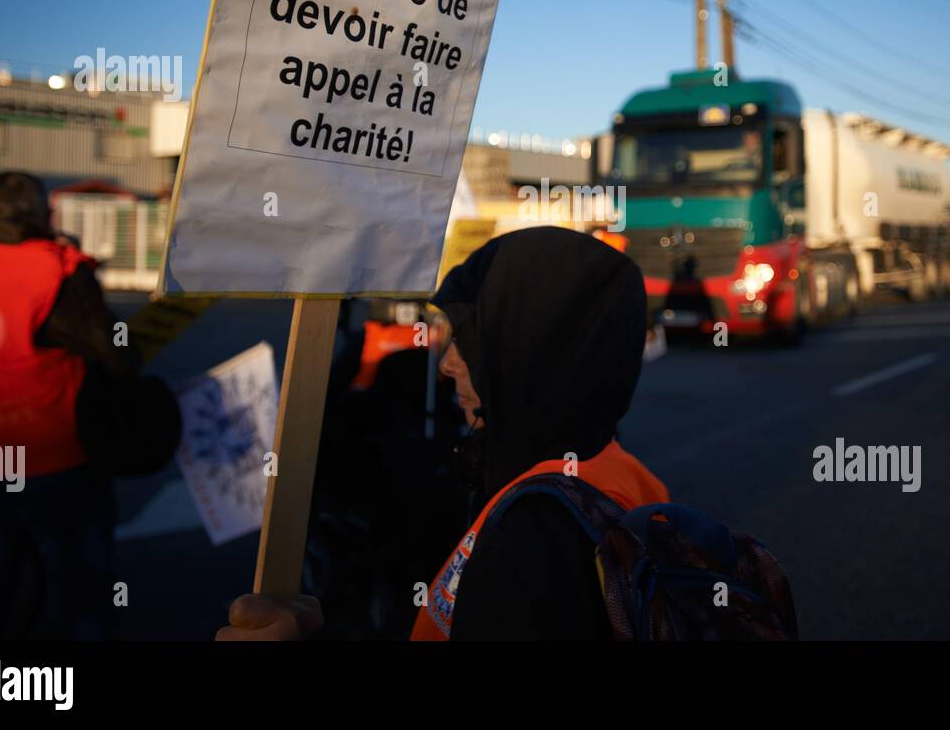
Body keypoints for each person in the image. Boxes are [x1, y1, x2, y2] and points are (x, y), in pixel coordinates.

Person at [219, 226, 668, 641]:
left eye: (472, 343)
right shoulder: (615, 471)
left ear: (532, 356)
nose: (449, 364)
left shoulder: (531, 546)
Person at [0, 171, 176, 638]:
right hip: (55, 462)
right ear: (45, 215)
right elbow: (117, 356)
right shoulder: (53, 270)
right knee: (78, 598)